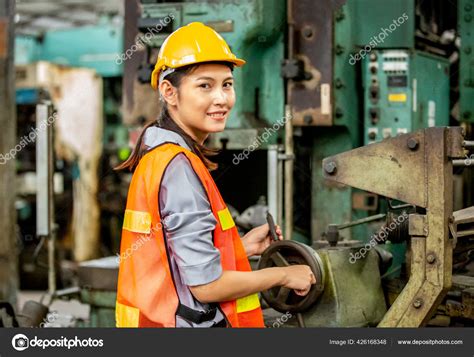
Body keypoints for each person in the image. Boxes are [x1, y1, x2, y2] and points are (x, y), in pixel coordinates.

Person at [115, 22, 316, 328]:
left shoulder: (161, 154)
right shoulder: (178, 167)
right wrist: (285, 274)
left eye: (227, 84)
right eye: (204, 86)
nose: (222, 98)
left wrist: (240, 247)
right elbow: (205, 287)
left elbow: (175, 256)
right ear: (169, 92)